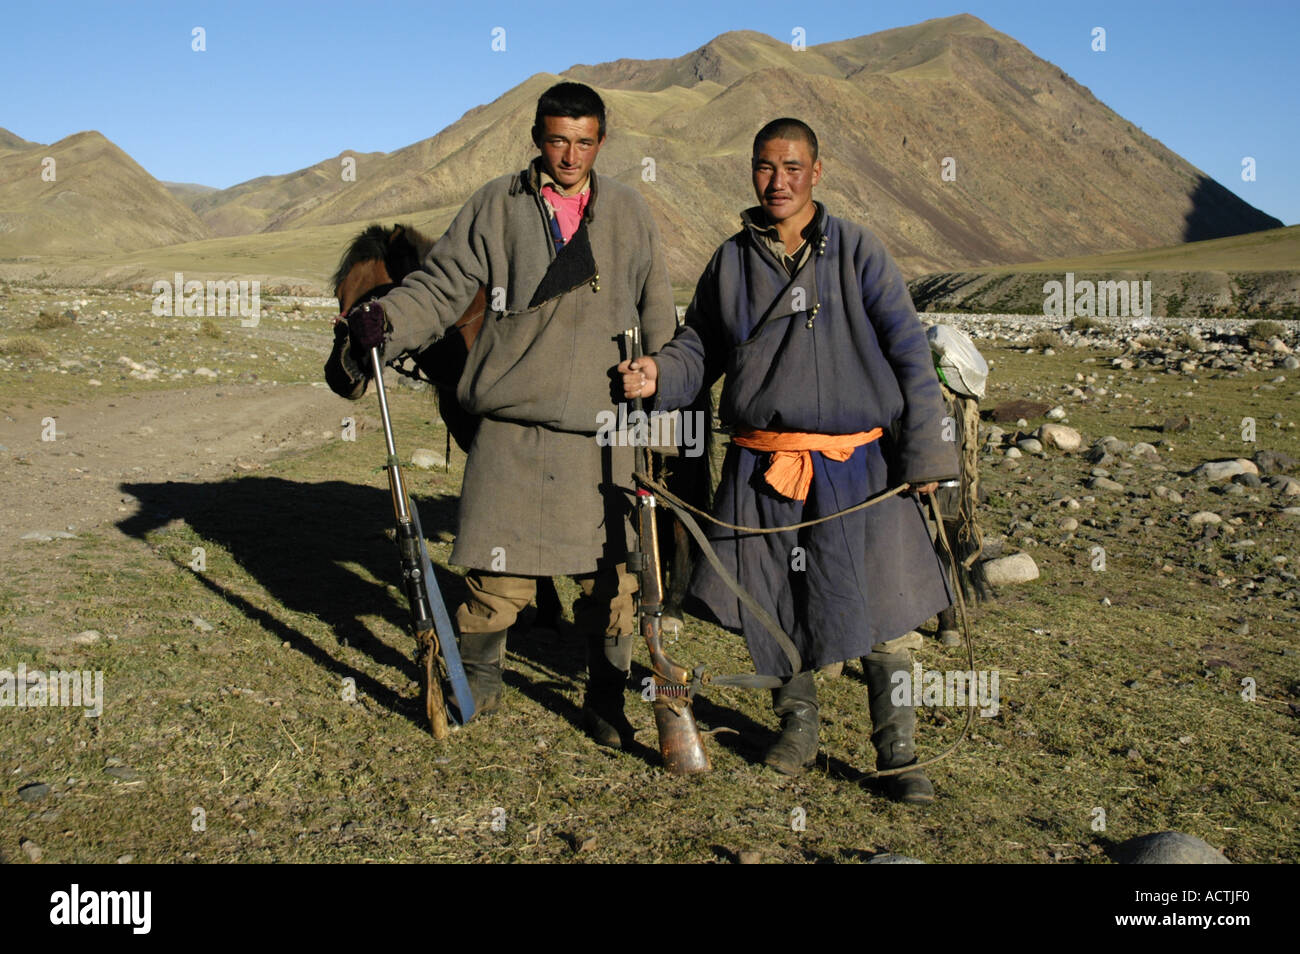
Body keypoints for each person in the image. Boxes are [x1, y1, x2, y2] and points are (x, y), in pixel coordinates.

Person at [618, 118, 958, 801]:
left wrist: (925, 452)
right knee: (774, 602)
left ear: (817, 171)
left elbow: (909, 354)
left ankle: (898, 752)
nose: (779, 182)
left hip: (858, 465)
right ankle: (797, 729)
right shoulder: (731, 260)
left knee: (884, 607)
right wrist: (660, 373)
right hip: (764, 467)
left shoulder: (859, 251)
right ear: (752, 170)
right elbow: (699, 347)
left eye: (793, 167)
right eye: (766, 167)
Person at [335, 82, 678, 749]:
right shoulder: (497, 205)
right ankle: (478, 683)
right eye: (557, 140)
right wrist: (385, 317)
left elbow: (657, 310)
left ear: (600, 142)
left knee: (612, 584)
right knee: (495, 581)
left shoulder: (631, 213)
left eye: (583, 142)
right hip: (512, 430)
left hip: (602, 434)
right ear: (537, 139)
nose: (569, 155)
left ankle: (608, 699)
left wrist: (664, 391)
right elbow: (439, 288)